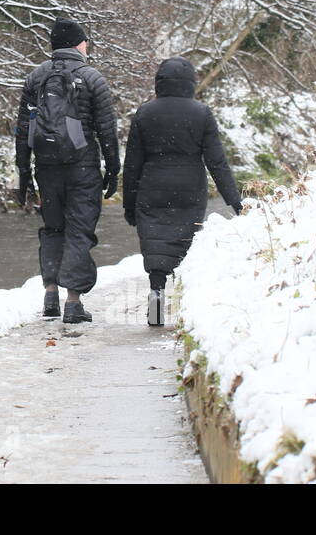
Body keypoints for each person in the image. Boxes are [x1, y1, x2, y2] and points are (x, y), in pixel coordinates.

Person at [122, 56, 242, 326]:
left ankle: (156, 306)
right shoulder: (201, 113)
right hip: (189, 189)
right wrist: (236, 202)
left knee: (155, 249)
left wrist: (129, 205)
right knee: (183, 245)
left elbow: (132, 165)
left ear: (159, 83)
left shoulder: (145, 113)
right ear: (191, 83)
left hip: (152, 188)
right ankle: (187, 309)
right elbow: (217, 162)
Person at [14, 18, 120, 324]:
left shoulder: (35, 78)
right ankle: (73, 301)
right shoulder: (93, 78)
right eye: (85, 41)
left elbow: (23, 130)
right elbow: (106, 131)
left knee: (53, 227)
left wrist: (23, 174)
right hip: (82, 167)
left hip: (45, 168)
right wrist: (113, 170)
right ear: (77, 44)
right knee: (79, 229)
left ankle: (50, 294)